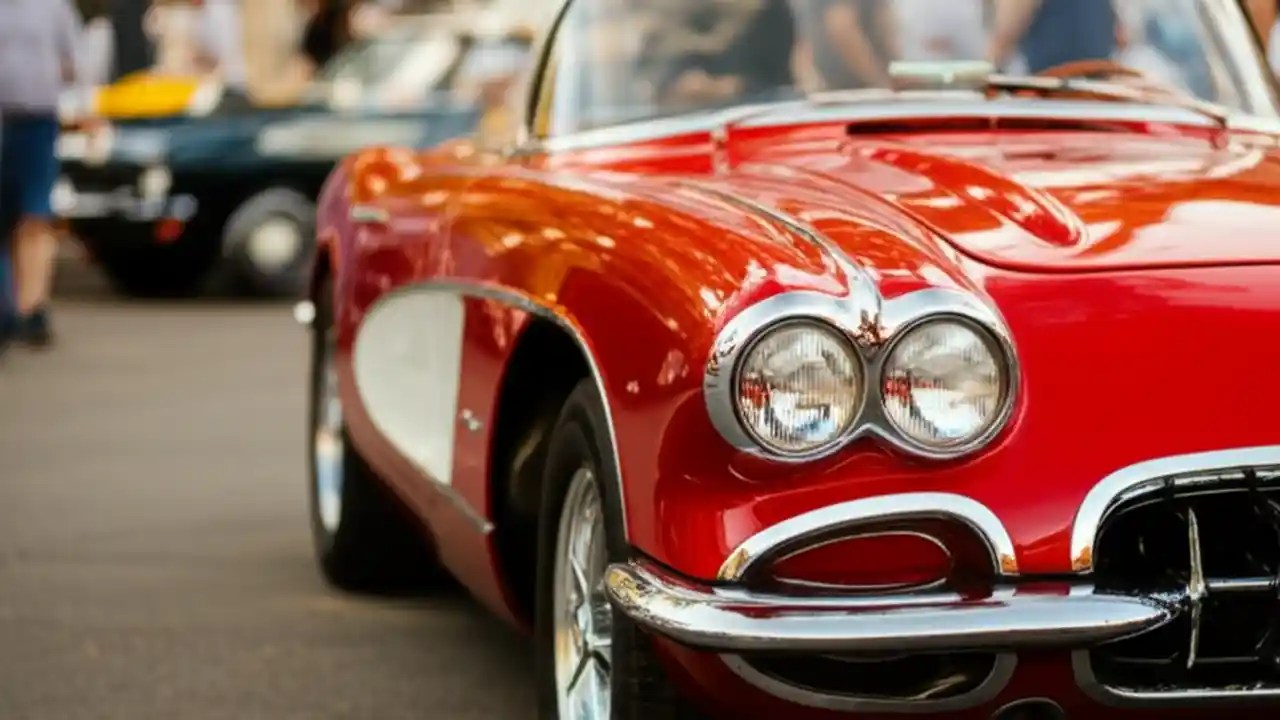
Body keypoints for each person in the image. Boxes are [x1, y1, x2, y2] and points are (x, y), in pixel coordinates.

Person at [0, 0, 82, 349]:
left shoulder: (53, 7)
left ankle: (31, 308)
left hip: (36, 121)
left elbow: (76, 61)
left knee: (35, 215)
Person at [988, 0, 1117, 74]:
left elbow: (1006, 33)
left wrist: (985, 72)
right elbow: (1121, 36)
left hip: (1055, 90)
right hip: (1100, 86)